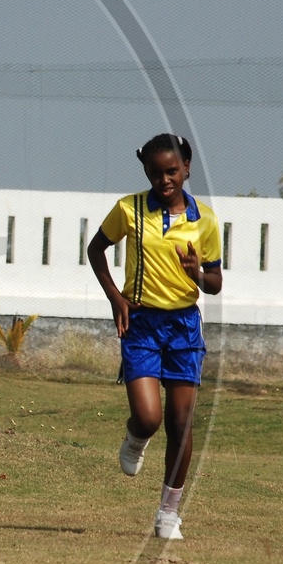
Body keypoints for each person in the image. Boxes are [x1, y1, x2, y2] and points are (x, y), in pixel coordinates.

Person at [87, 133, 222, 540]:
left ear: (186, 168)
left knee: (181, 422)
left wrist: (197, 272)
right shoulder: (129, 210)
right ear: (145, 169)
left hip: (183, 326)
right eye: (155, 172)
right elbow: (96, 249)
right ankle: (136, 437)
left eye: (172, 171)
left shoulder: (205, 220)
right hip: (141, 324)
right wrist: (115, 297)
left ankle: (169, 512)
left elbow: (214, 283)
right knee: (150, 417)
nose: (164, 180)